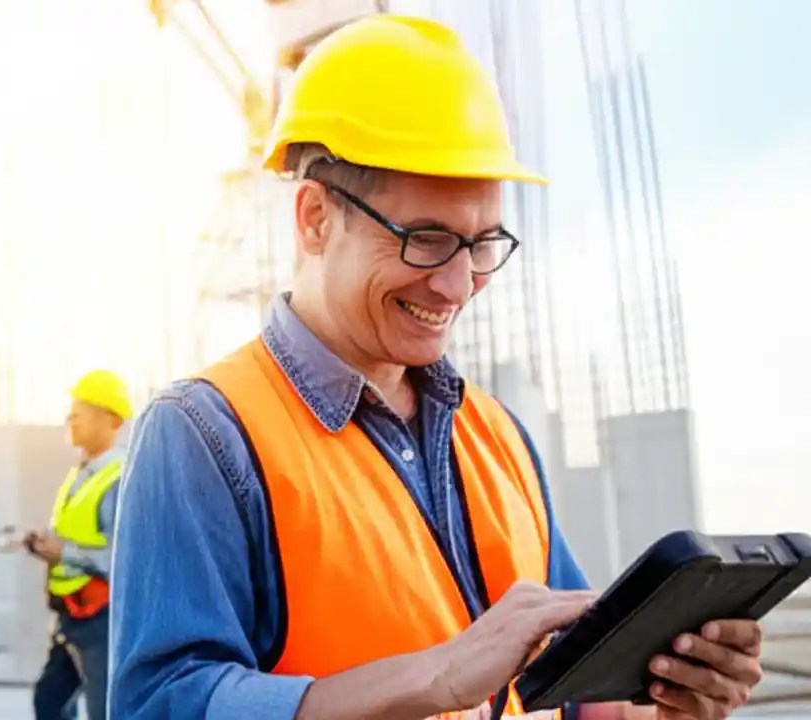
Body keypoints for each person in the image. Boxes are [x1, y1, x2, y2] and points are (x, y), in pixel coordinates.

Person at [109, 14, 765, 720]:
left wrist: (664, 701)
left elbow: (568, 693)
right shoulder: (204, 436)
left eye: (482, 244)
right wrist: (436, 677)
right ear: (314, 217)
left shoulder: (498, 435)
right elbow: (160, 706)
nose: (457, 285)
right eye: (425, 239)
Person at [27, 370, 132, 720]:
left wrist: (63, 552)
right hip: (71, 616)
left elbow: (120, 558)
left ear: (110, 419)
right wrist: (44, 543)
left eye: (80, 412)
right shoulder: (81, 472)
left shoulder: (119, 477)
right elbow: (73, 534)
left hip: (100, 618)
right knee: (49, 702)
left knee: (105, 710)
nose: (69, 419)